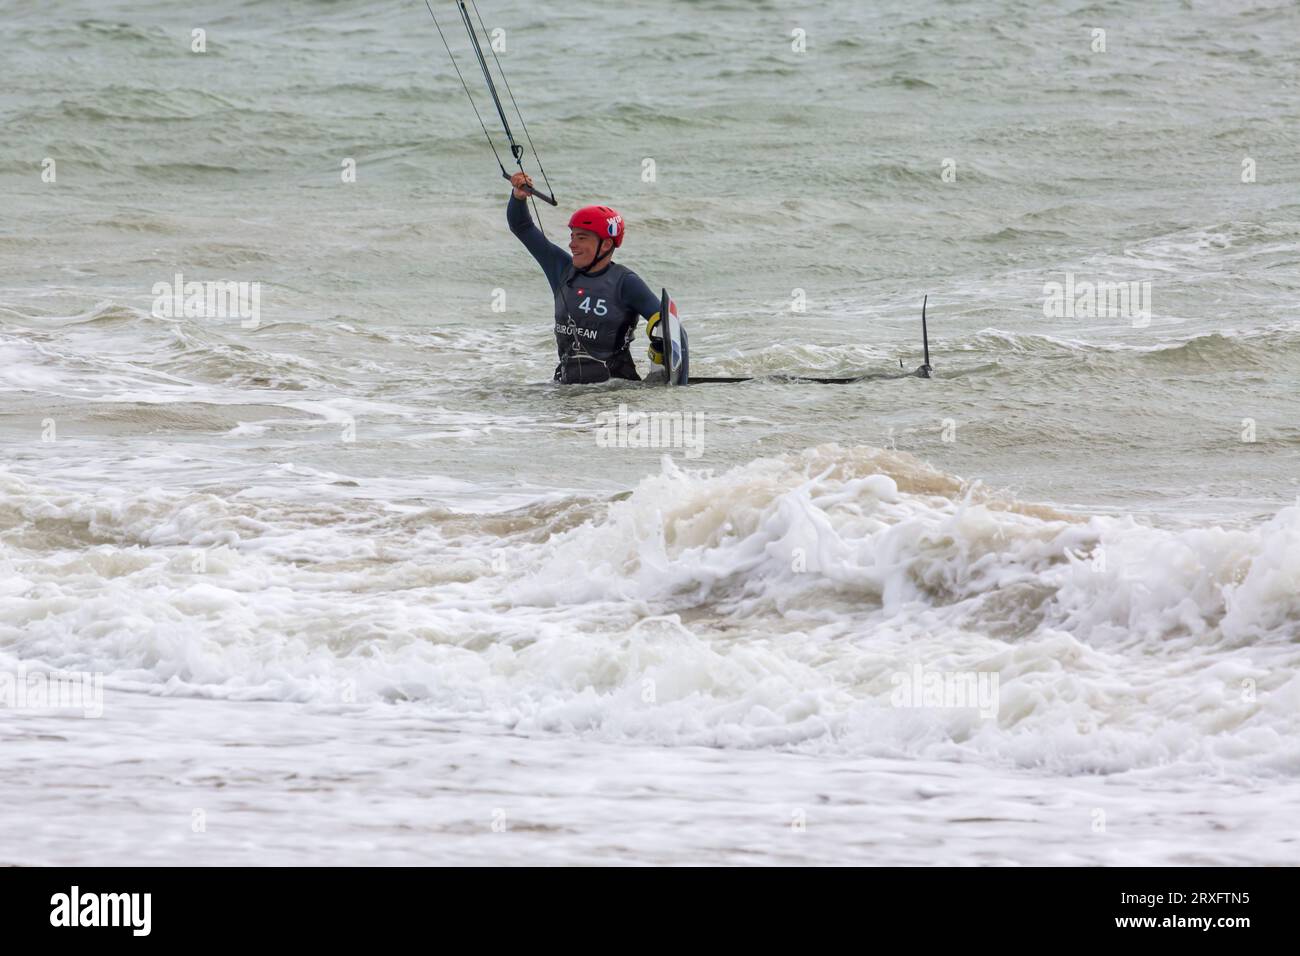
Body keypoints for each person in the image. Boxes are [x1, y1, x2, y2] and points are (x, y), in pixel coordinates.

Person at [507, 172, 671, 383]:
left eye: (581, 238)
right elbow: (522, 227)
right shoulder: (561, 270)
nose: (572, 244)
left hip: (617, 392)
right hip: (568, 393)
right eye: (572, 236)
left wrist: (659, 348)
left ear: (606, 244)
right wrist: (518, 196)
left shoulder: (625, 282)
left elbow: (666, 325)